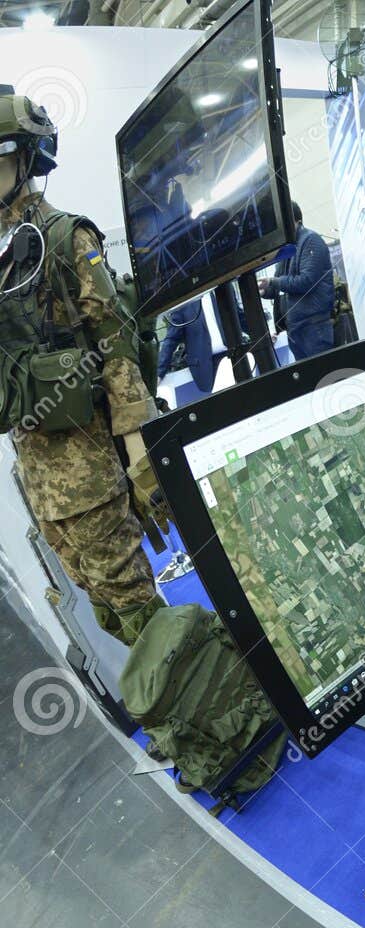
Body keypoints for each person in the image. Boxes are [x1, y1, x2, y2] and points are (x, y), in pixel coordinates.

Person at [0, 94, 163, 646]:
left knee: (137, 607)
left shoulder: (68, 238)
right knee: (104, 611)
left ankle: (219, 721)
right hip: (38, 477)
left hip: (89, 473)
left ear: (26, 160)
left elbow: (116, 348)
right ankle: (179, 714)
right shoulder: (3, 258)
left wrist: (138, 452)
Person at [259, 201, 334, 362]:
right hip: (296, 330)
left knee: (326, 379)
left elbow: (305, 282)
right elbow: (279, 285)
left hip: (314, 328)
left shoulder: (311, 240)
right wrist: (264, 290)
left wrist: (273, 281)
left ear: (294, 219)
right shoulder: (287, 248)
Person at [156, 299, 216, 394]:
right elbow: (172, 339)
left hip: (233, 353)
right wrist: (159, 372)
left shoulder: (221, 290)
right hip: (204, 365)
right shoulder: (184, 303)